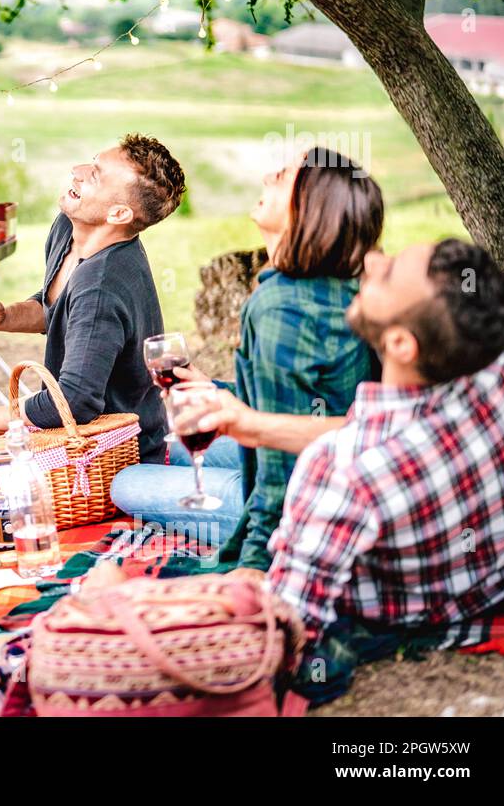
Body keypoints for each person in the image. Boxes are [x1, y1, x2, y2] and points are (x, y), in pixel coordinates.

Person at [199, 239, 504, 700]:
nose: (371, 259)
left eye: (387, 274)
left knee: (133, 487)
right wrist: (249, 426)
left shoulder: (344, 472)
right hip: (481, 588)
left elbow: (282, 630)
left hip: (394, 612)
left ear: (399, 343)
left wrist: (117, 595)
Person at [109, 147, 384, 560]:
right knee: (171, 445)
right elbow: (297, 401)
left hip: (309, 500)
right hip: (346, 470)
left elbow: (279, 456)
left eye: (285, 176)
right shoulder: (343, 283)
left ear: (310, 207)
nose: (268, 177)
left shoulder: (282, 306)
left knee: (126, 482)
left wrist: (256, 555)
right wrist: (214, 387)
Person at [0, 135, 186, 460]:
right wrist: (5, 317)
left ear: (119, 214)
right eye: (91, 161)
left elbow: (74, 400)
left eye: (95, 174)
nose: (76, 170)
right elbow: (60, 307)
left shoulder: (101, 285)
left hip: (109, 456)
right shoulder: (69, 229)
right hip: (70, 437)